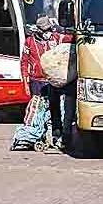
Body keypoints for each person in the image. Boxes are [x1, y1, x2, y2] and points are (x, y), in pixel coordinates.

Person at [21, 16, 68, 148]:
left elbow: (71, 38)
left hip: (52, 81)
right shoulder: (29, 42)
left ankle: (57, 135)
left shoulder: (56, 38)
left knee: (55, 109)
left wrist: (63, 30)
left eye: (49, 29)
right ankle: (38, 136)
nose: (48, 32)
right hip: (36, 81)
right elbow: (24, 63)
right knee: (38, 110)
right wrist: (25, 83)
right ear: (38, 30)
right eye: (45, 30)